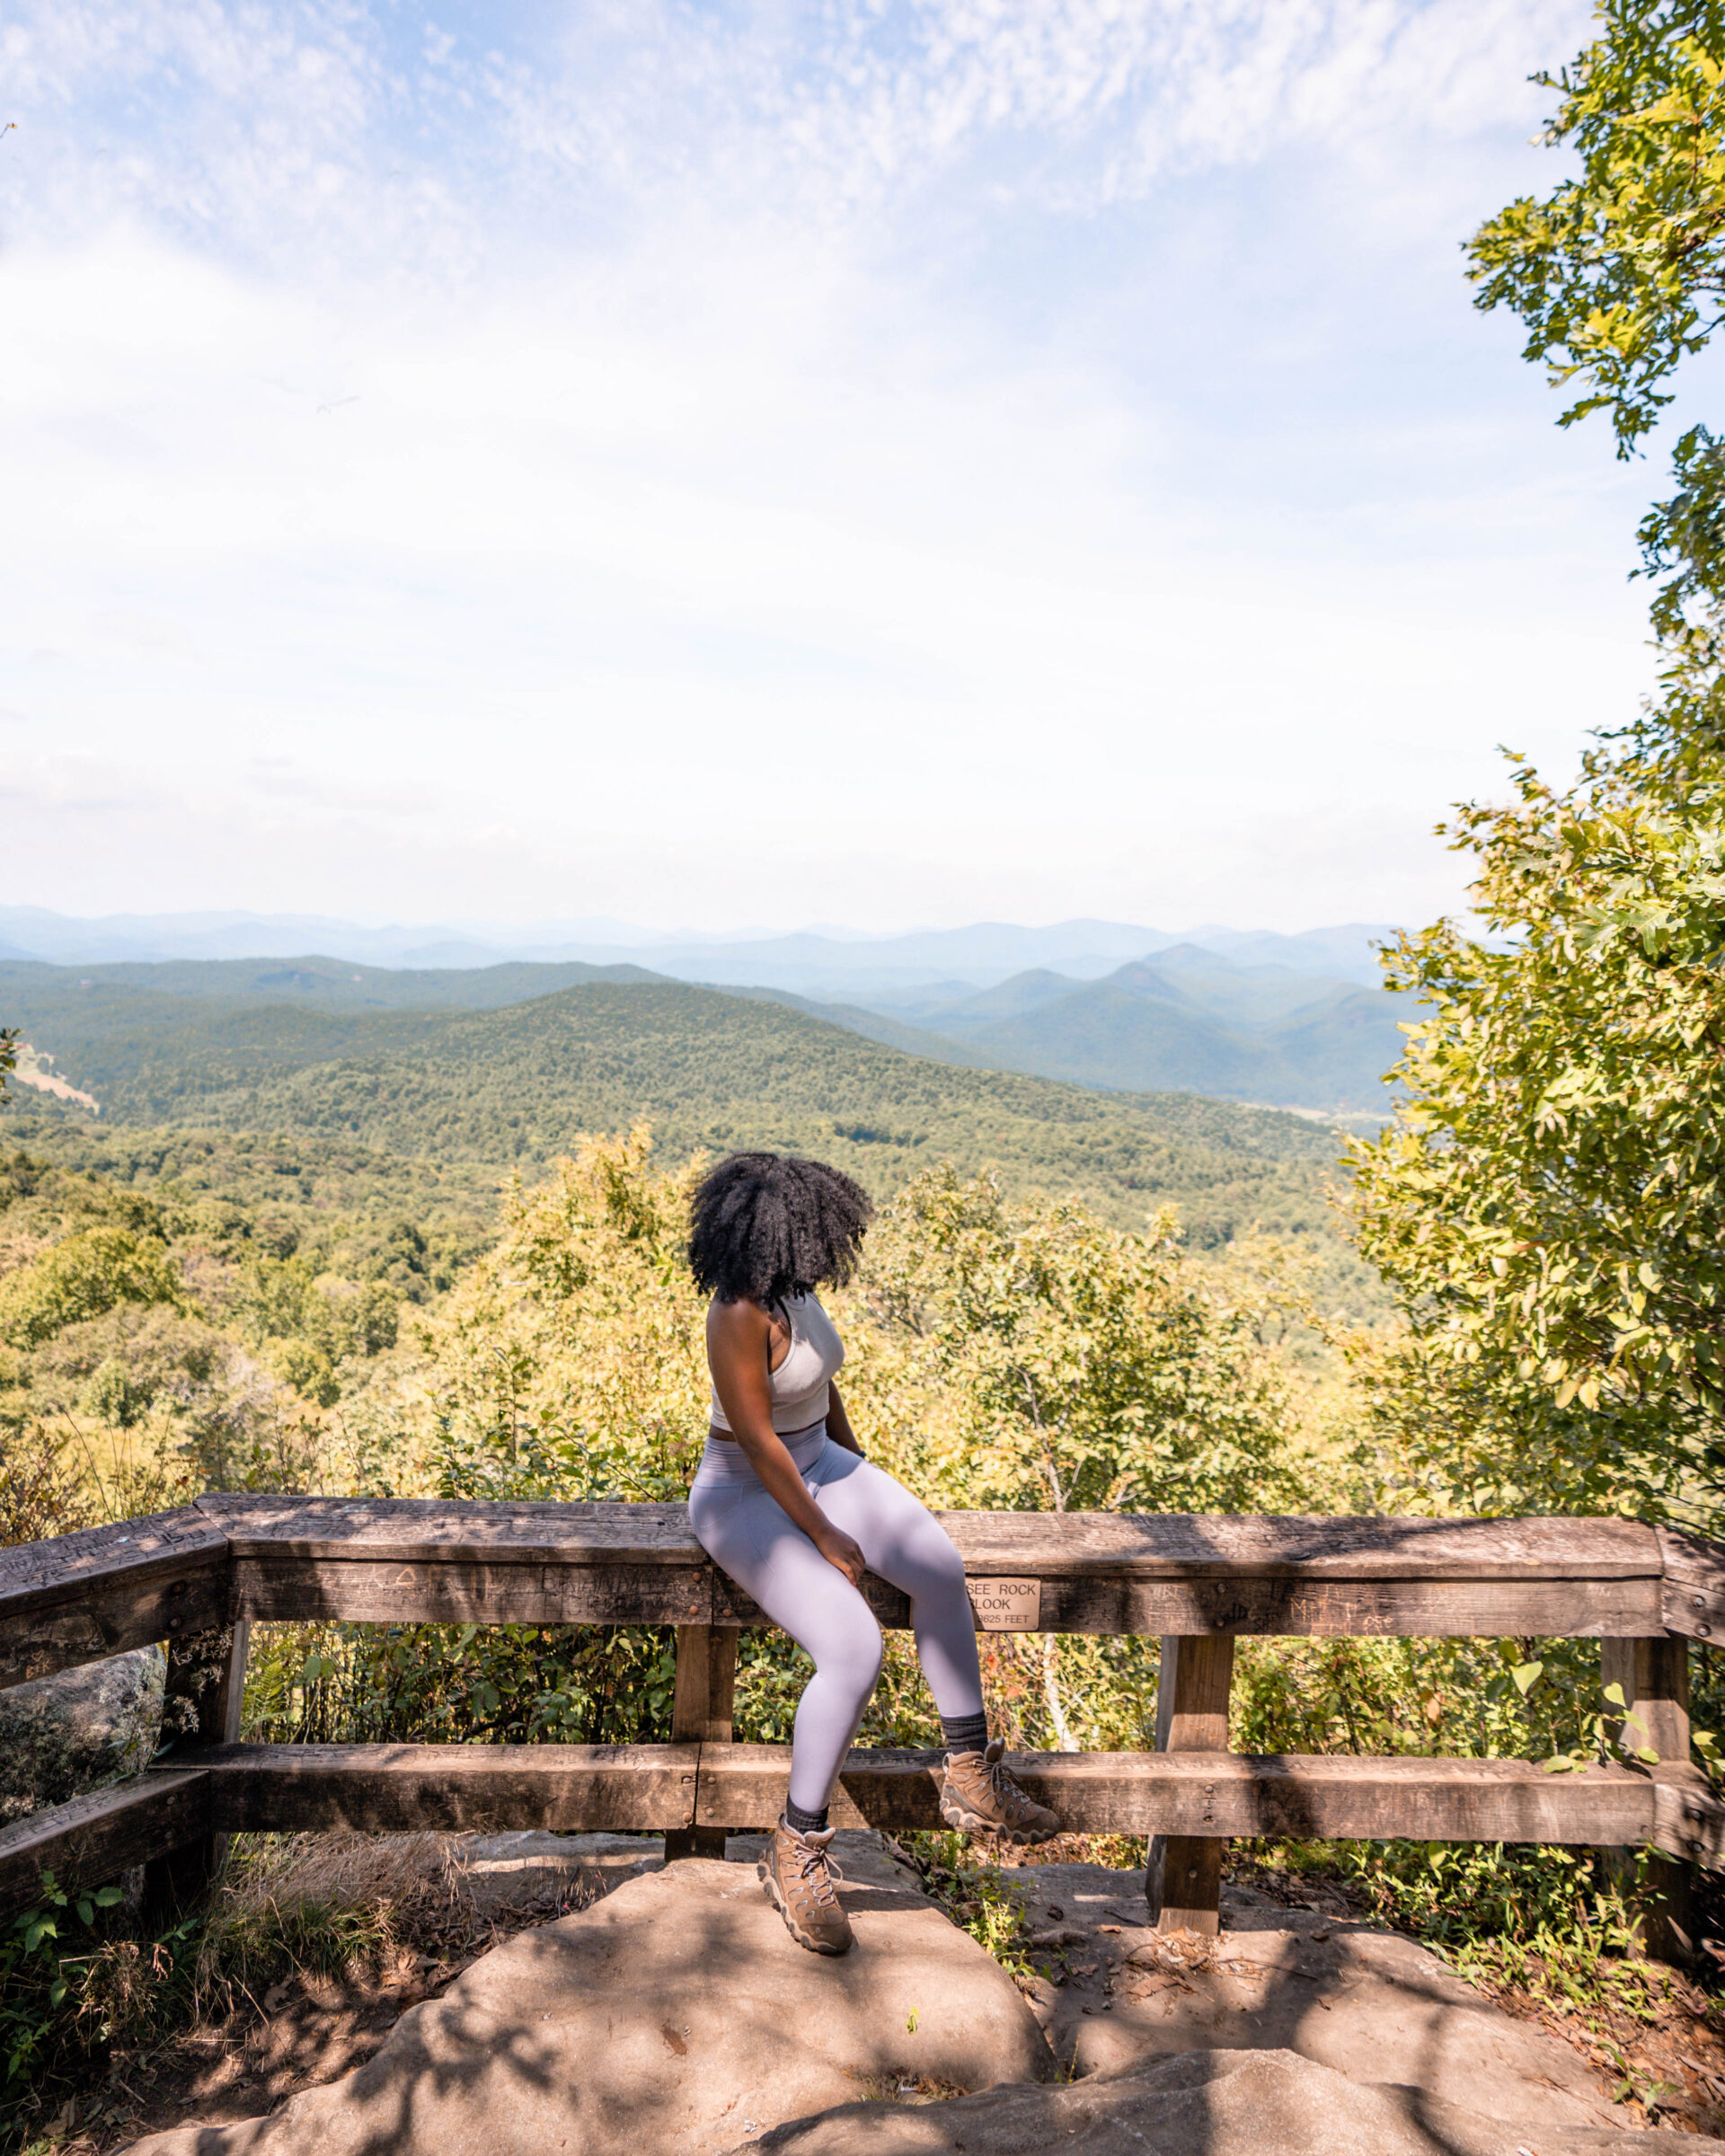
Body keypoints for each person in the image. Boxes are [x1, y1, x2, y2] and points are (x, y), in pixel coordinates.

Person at [686, 1150, 1059, 1957]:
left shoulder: (795, 1287)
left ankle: (969, 1772)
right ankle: (797, 1846)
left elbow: (819, 1386)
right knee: (853, 1649)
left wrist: (861, 1472)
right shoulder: (736, 1314)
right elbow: (755, 1437)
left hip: (818, 1462)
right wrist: (826, 1532)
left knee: (937, 1567)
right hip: (744, 1491)